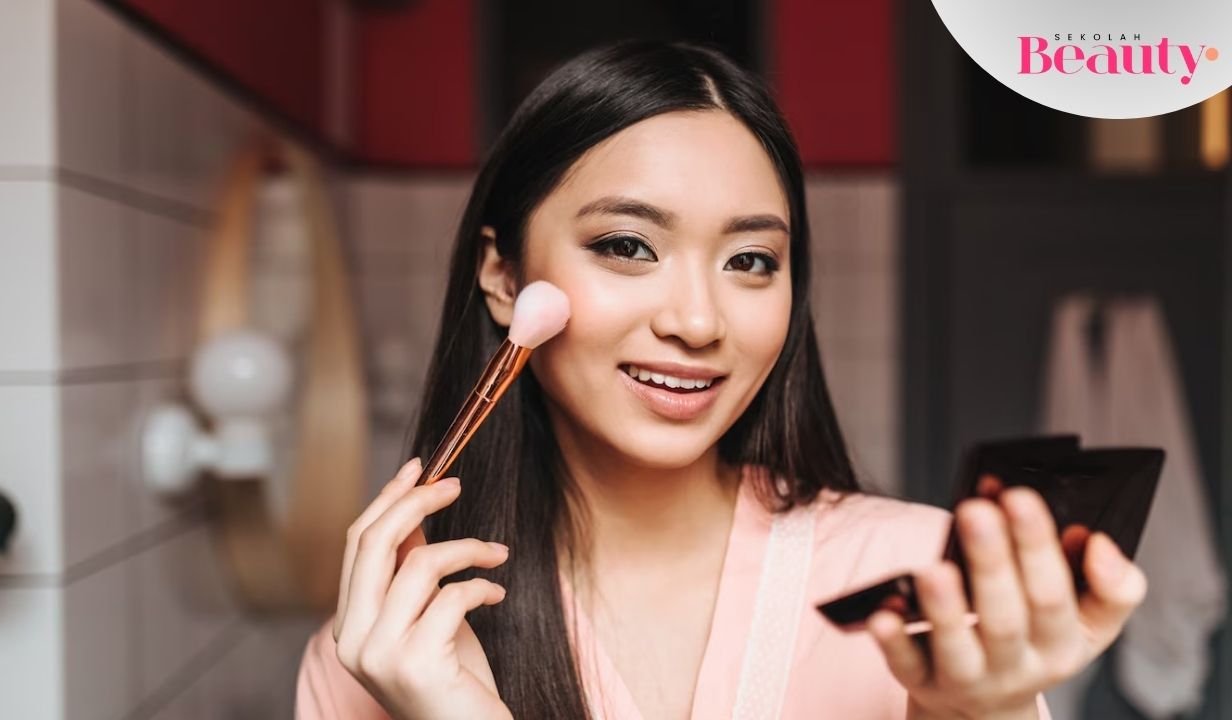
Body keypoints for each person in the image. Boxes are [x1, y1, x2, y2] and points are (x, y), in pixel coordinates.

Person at [296, 39, 1147, 719]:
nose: (698, 322)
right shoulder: (388, 650)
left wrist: (976, 715)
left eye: (750, 260)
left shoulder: (921, 581)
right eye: (627, 246)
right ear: (505, 277)